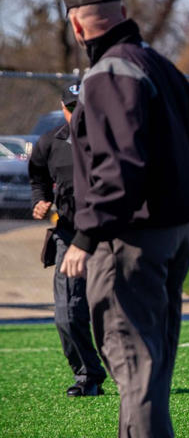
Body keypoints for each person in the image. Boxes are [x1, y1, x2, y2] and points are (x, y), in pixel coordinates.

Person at [59, 0, 189, 436]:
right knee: (149, 376)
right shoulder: (160, 66)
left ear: (76, 26)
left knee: (136, 373)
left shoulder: (108, 73)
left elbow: (119, 164)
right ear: (124, 14)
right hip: (175, 236)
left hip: (131, 240)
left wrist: (86, 235)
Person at [28, 82, 107, 397]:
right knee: (66, 313)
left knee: (115, 311)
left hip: (108, 236)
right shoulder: (49, 142)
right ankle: (87, 375)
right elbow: (37, 177)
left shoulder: (109, 141)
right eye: (71, 107)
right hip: (69, 235)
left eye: (82, 107)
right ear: (63, 108)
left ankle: (137, 375)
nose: (77, 113)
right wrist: (41, 199)